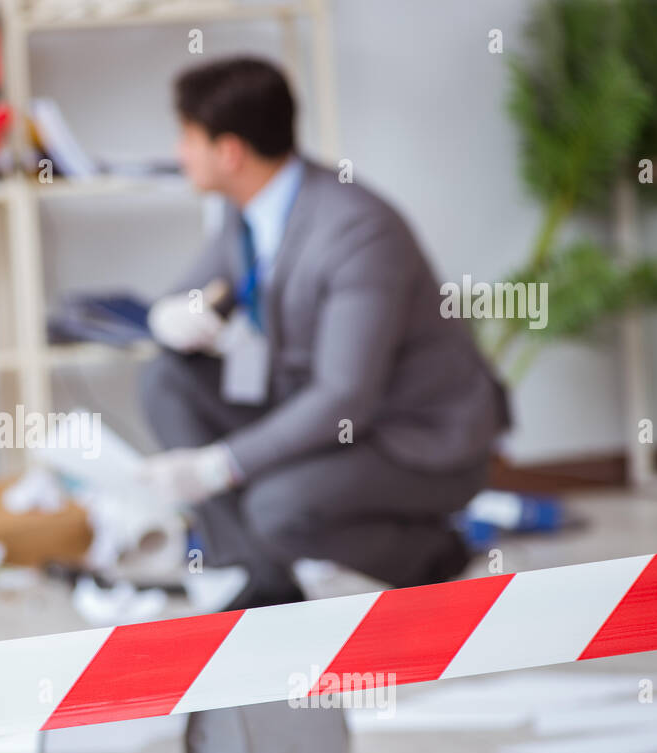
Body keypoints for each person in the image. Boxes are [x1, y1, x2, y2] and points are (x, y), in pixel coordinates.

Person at [138, 56, 512, 611]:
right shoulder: (247, 216)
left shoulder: (355, 229)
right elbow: (186, 293)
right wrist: (166, 316)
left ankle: (432, 554)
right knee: (166, 379)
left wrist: (218, 466)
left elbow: (345, 397)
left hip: (413, 439)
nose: (178, 153)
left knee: (276, 507)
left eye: (187, 137)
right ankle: (261, 580)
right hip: (322, 415)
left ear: (229, 151)